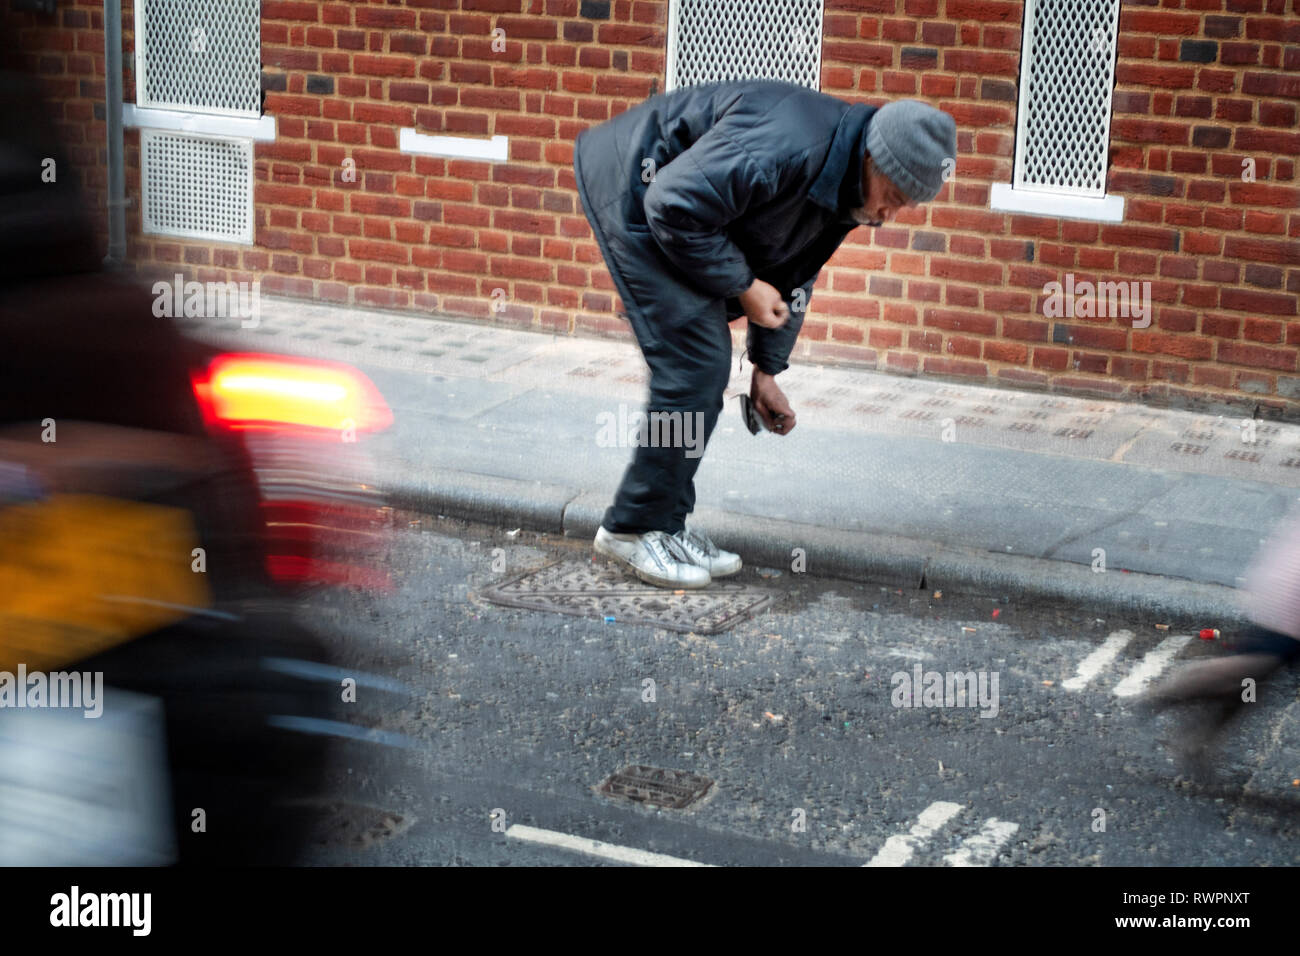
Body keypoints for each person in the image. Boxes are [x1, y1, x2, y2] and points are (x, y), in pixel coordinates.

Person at [573, 80, 957, 588]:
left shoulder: (844, 181)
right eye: (893, 197)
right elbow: (672, 203)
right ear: (874, 158)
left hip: (682, 207)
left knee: (704, 368)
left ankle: (665, 525)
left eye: (903, 207)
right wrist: (743, 284)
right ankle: (629, 530)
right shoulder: (789, 144)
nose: (888, 217)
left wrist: (767, 369)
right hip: (634, 186)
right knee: (696, 364)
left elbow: (796, 269)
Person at [1140, 510, 1300, 770]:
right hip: (1290, 607)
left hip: (1284, 599)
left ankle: (1193, 740)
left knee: (1250, 684)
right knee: (1251, 670)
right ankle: (1171, 694)